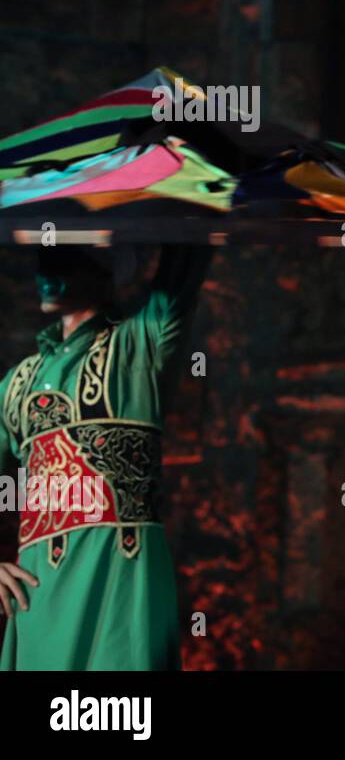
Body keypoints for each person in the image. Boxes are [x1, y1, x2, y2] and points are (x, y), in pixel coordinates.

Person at [0, 243, 210, 670]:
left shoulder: (138, 348)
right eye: (43, 258)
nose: (47, 270)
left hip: (121, 586)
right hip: (40, 596)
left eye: (65, 257)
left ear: (105, 267)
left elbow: (187, 248)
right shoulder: (18, 383)